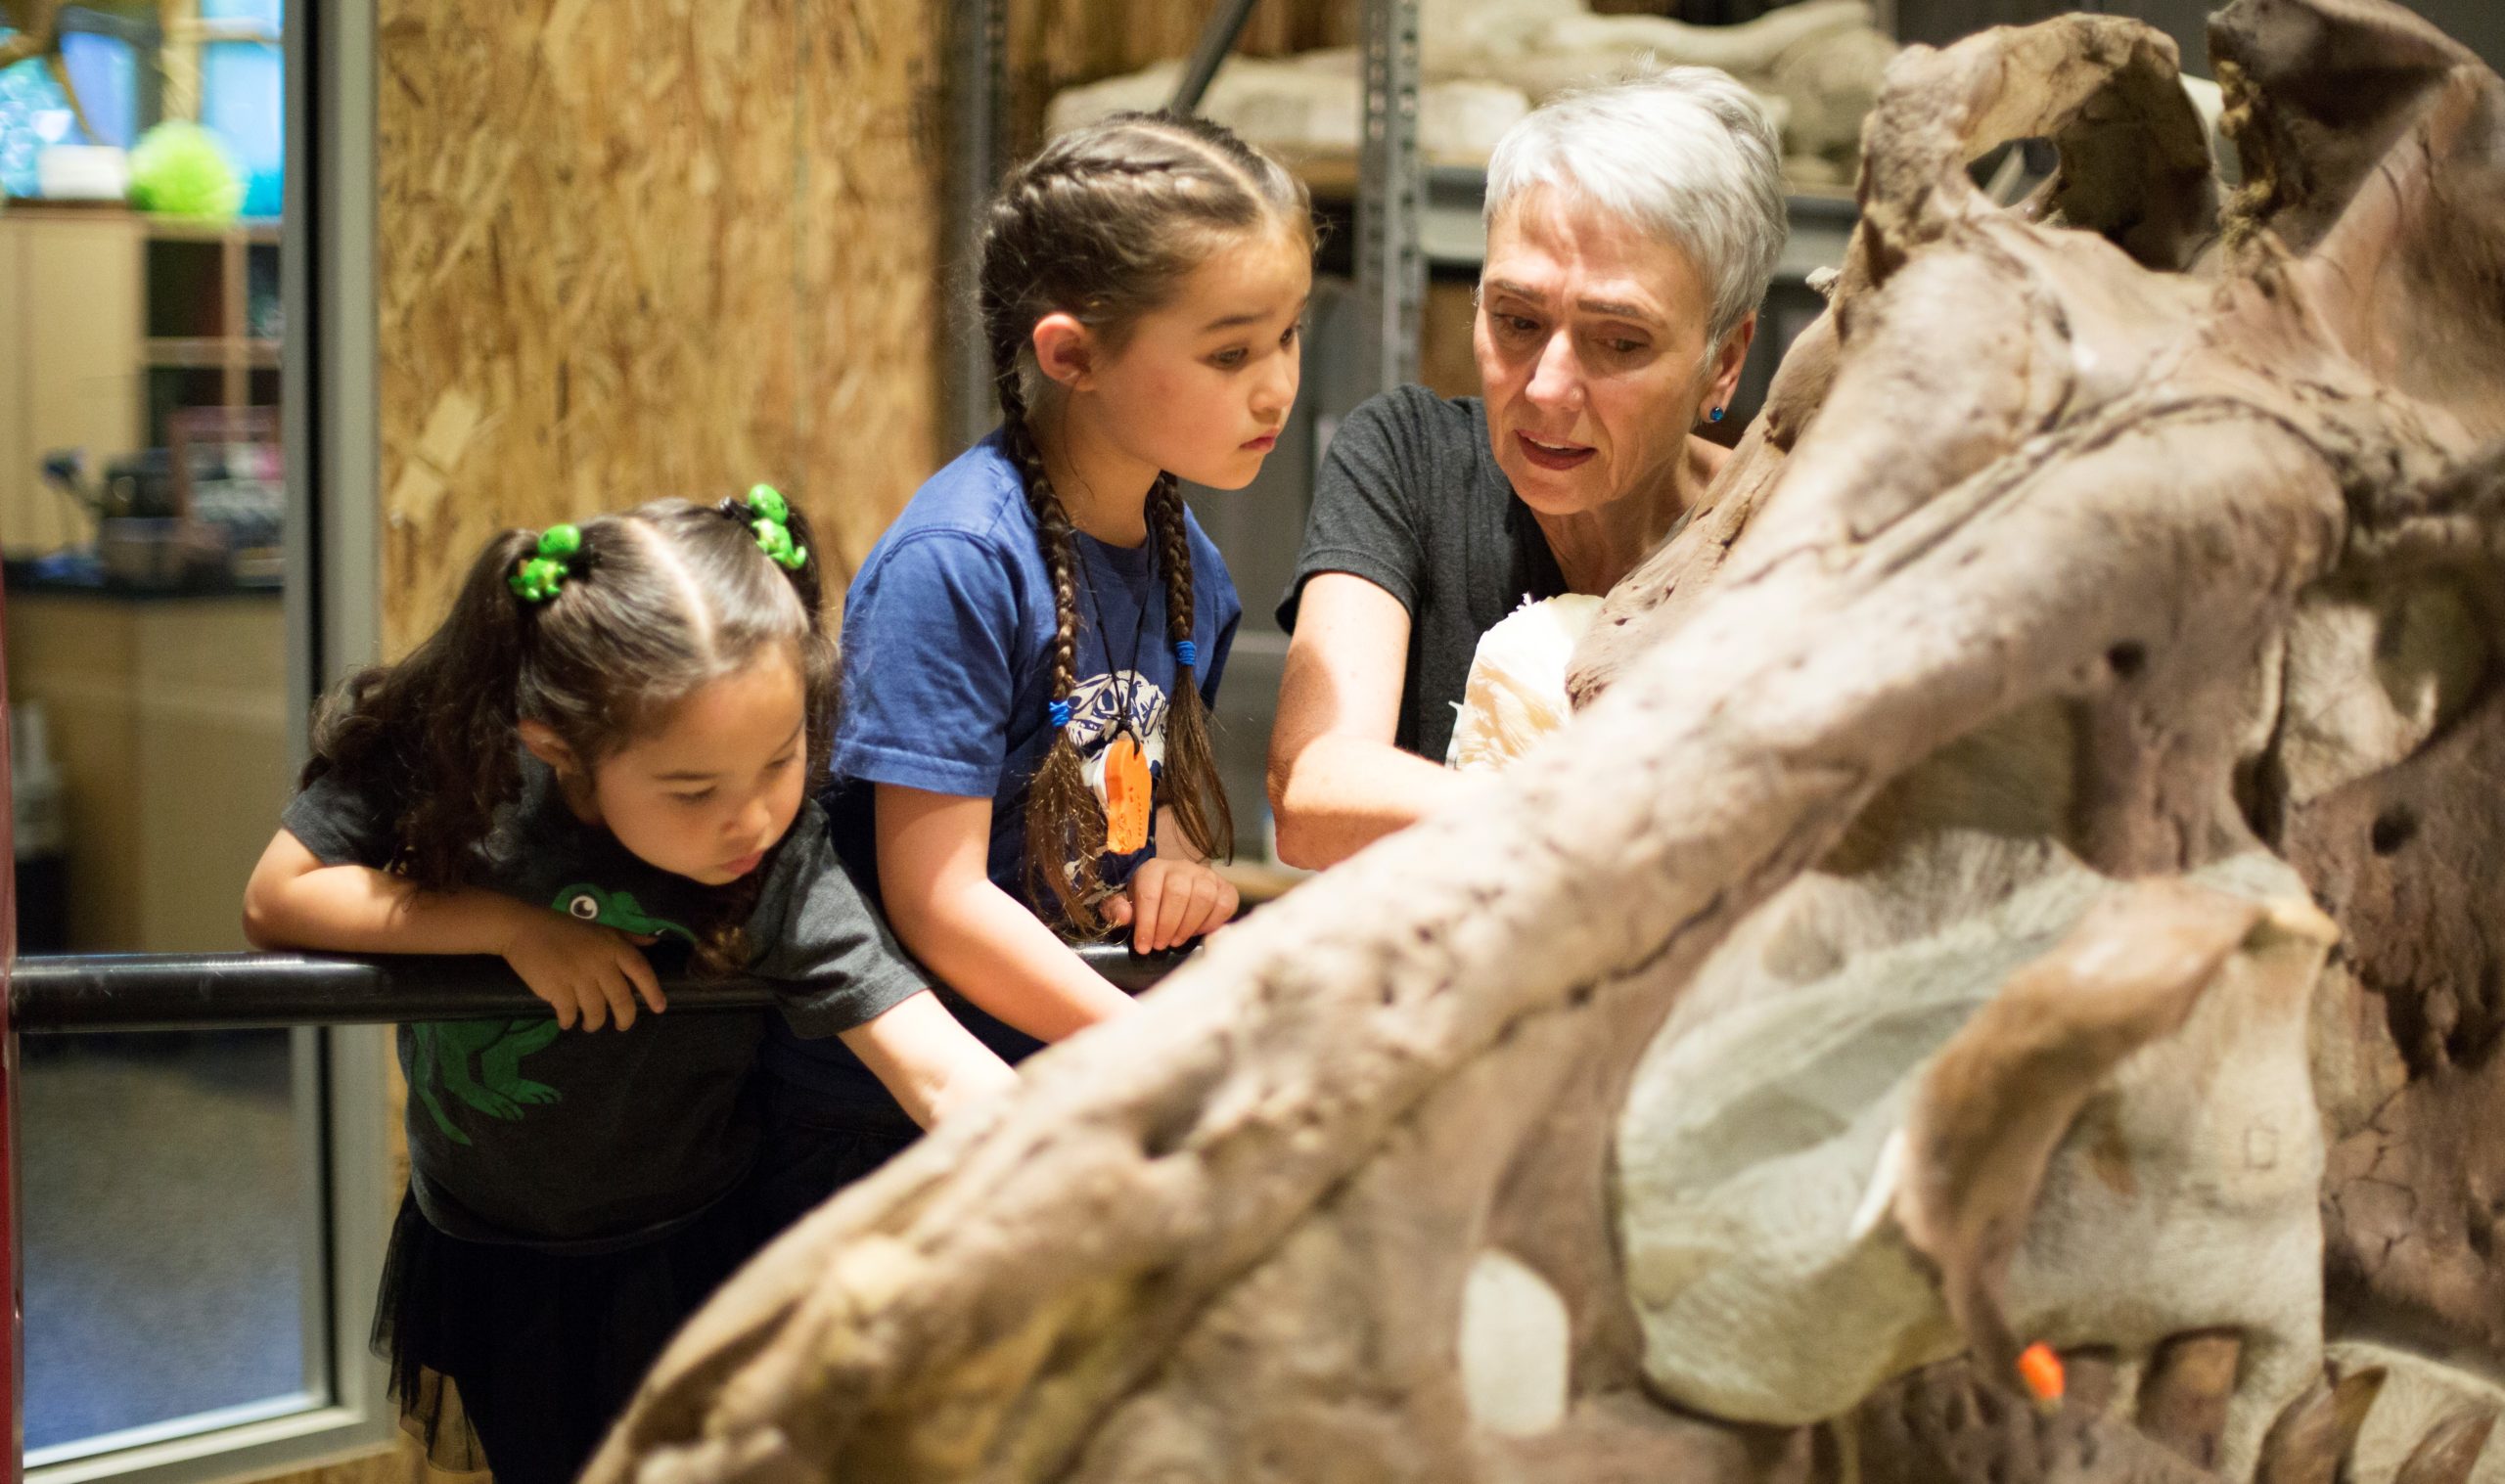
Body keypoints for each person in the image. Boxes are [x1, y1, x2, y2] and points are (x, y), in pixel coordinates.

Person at [240, 492, 1011, 1484]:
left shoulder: (780, 864)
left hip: (692, 1240)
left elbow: (938, 1067)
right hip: (489, 1244)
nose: (751, 818)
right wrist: (509, 926)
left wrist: (1107, 1153)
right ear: (554, 739)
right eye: (694, 790)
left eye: (782, 759)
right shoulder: (455, 757)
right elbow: (278, 895)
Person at [759, 112, 1310, 1146]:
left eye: (1287, 333)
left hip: (1076, 1090)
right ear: (1071, 354)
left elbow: (1141, 807)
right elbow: (939, 902)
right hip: (890, 1131)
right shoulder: (958, 562)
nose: (1277, 382)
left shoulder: (1195, 564)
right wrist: (1167, 1050)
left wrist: (1176, 873)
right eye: (1231, 349)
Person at [1267, 68, 1788, 868]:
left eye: (1619, 341)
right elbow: (1314, 792)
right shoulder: (1412, 461)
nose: (1546, 389)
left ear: (1725, 362)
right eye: (1516, 320)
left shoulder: (1782, 539)